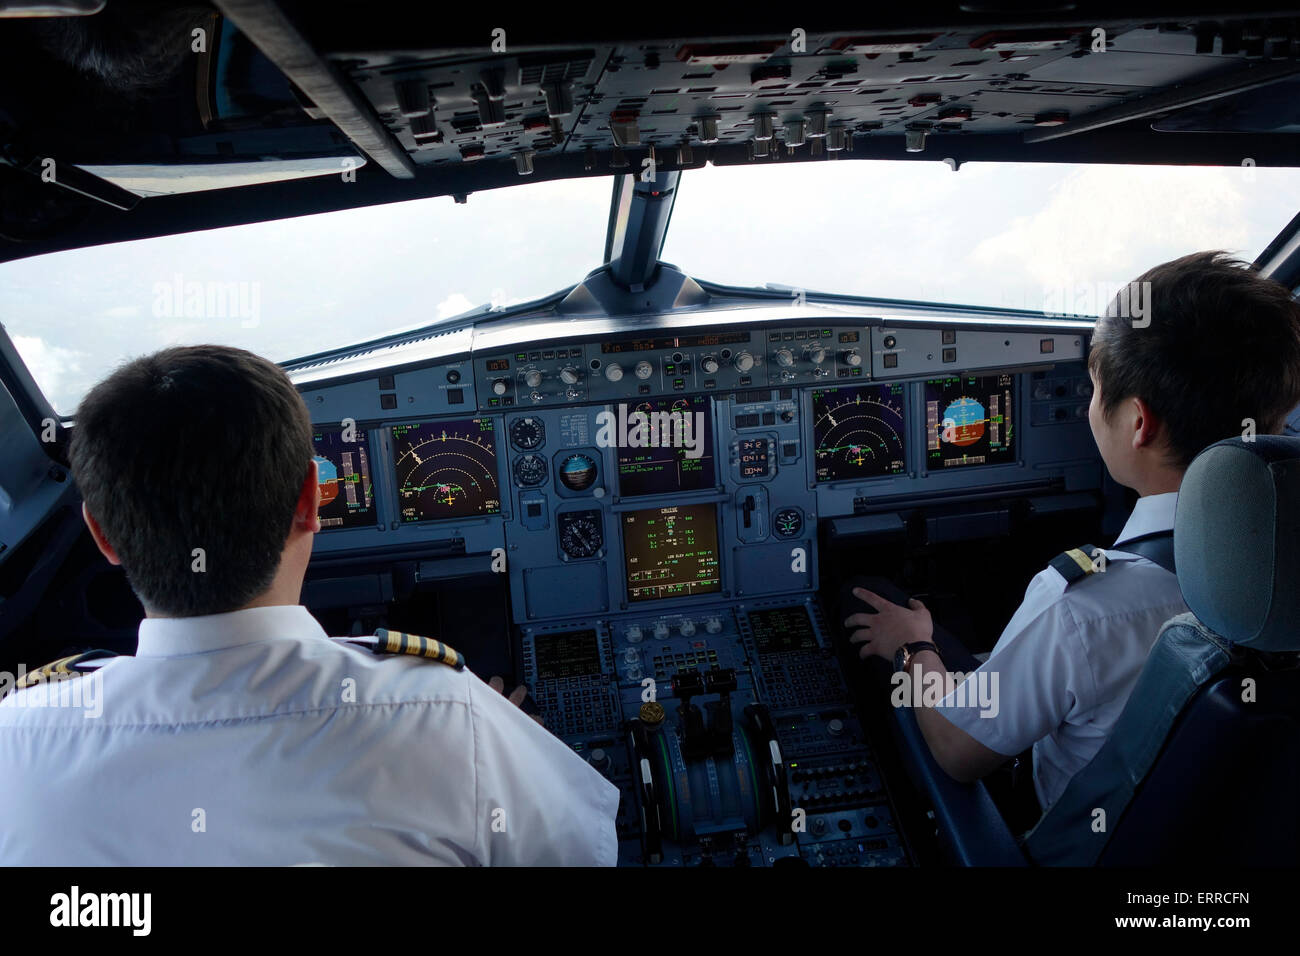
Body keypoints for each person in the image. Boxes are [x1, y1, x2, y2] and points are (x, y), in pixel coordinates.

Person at [0, 345, 619, 865]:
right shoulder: (449, 717)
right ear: (309, 500)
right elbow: (580, 853)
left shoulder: (15, 741)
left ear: (102, 534)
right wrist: (508, 757)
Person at [843, 251, 1300, 820]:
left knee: (866, 597)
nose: (1087, 407)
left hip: (1067, 835)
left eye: (1095, 389)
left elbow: (957, 751)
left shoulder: (1083, 609)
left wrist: (913, 647)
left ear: (1139, 423)